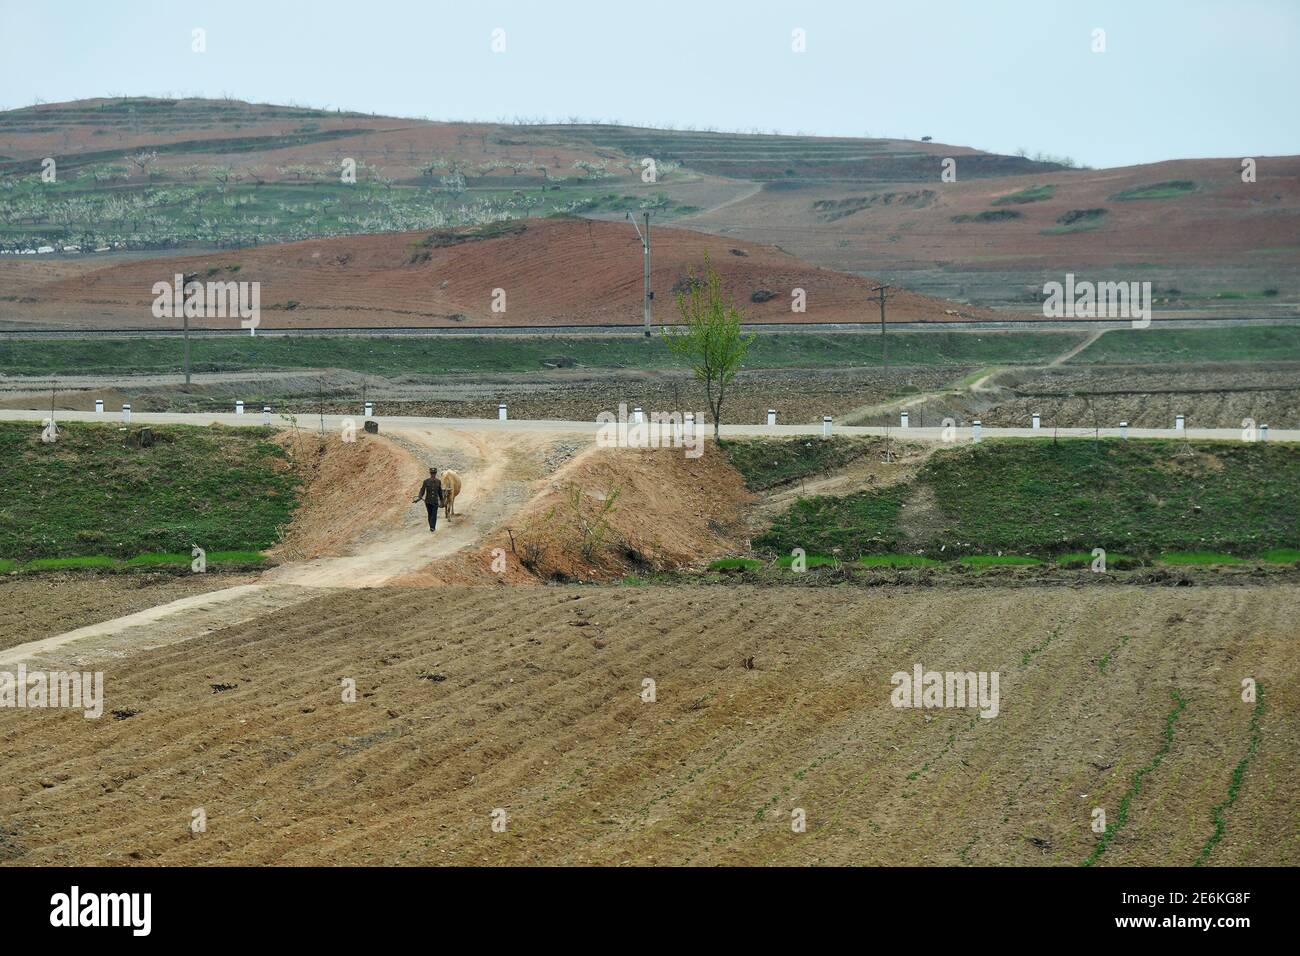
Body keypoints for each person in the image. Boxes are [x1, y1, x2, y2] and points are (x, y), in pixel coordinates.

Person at [414, 467, 443, 532]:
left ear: (435, 474)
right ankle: (431, 526)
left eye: (434, 473)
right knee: (430, 514)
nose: (433, 474)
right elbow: (422, 490)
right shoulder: (426, 481)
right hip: (428, 502)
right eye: (432, 473)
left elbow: (440, 492)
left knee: (434, 514)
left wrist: (442, 501)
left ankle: (432, 527)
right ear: (430, 473)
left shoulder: (438, 482)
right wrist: (419, 497)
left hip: (435, 502)